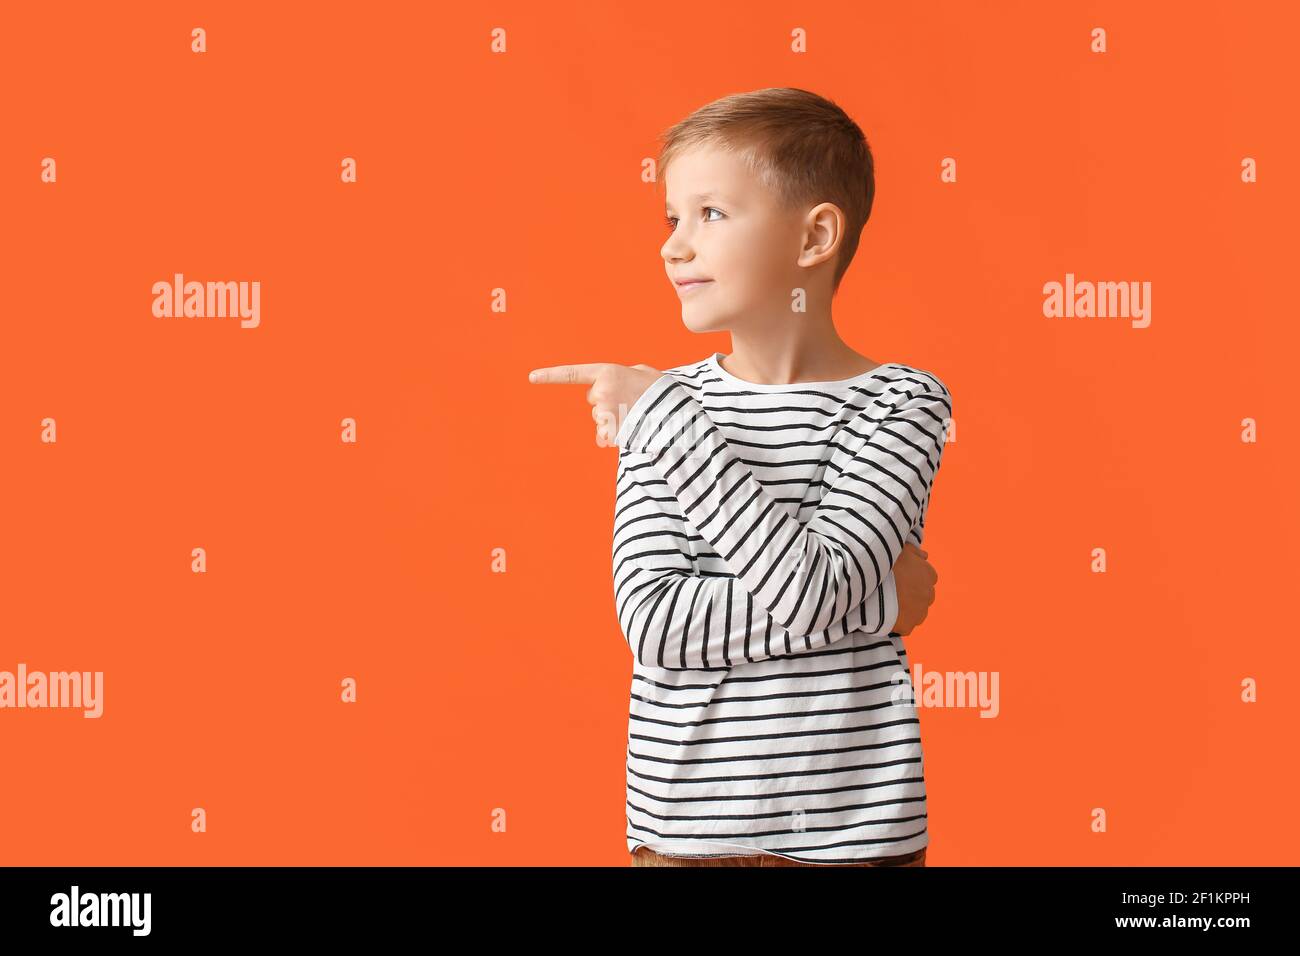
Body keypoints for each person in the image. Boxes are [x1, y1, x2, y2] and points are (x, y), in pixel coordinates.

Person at [529, 87, 953, 866]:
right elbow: (656, 625)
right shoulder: (660, 406)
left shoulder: (902, 403)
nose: (673, 246)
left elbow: (814, 593)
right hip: (682, 839)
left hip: (856, 841)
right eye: (672, 218)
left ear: (814, 236)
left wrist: (666, 424)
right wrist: (881, 603)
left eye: (711, 214)